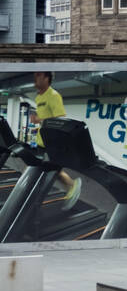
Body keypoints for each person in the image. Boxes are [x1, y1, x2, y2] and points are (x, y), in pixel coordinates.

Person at [32, 72, 81, 209]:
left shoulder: (54, 95)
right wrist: (38, 121)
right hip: (41, 141)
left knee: (51, 170)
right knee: (41, 168)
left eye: (38, 76)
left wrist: (39, 119)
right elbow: (45, 117)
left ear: (46, 79)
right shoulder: (38, 97)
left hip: (51, 142)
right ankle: (34, 195)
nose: (35, 79)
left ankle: (72, 185)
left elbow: (60, 118)